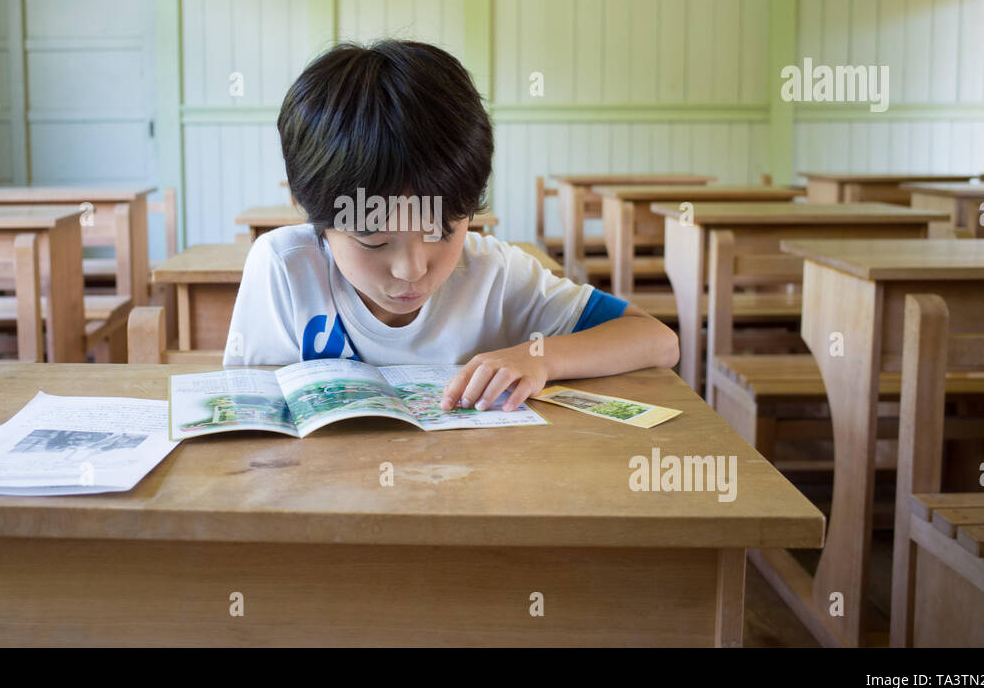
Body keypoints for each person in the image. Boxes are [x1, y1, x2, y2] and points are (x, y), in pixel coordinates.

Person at [222, 39, 680, 411]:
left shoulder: (495, 276)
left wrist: (538, 358)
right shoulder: (285, 270)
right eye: (373, 239)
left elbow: (657, 340)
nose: (411, 269)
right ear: (309, 207)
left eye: (441, 231)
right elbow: (254, 414)